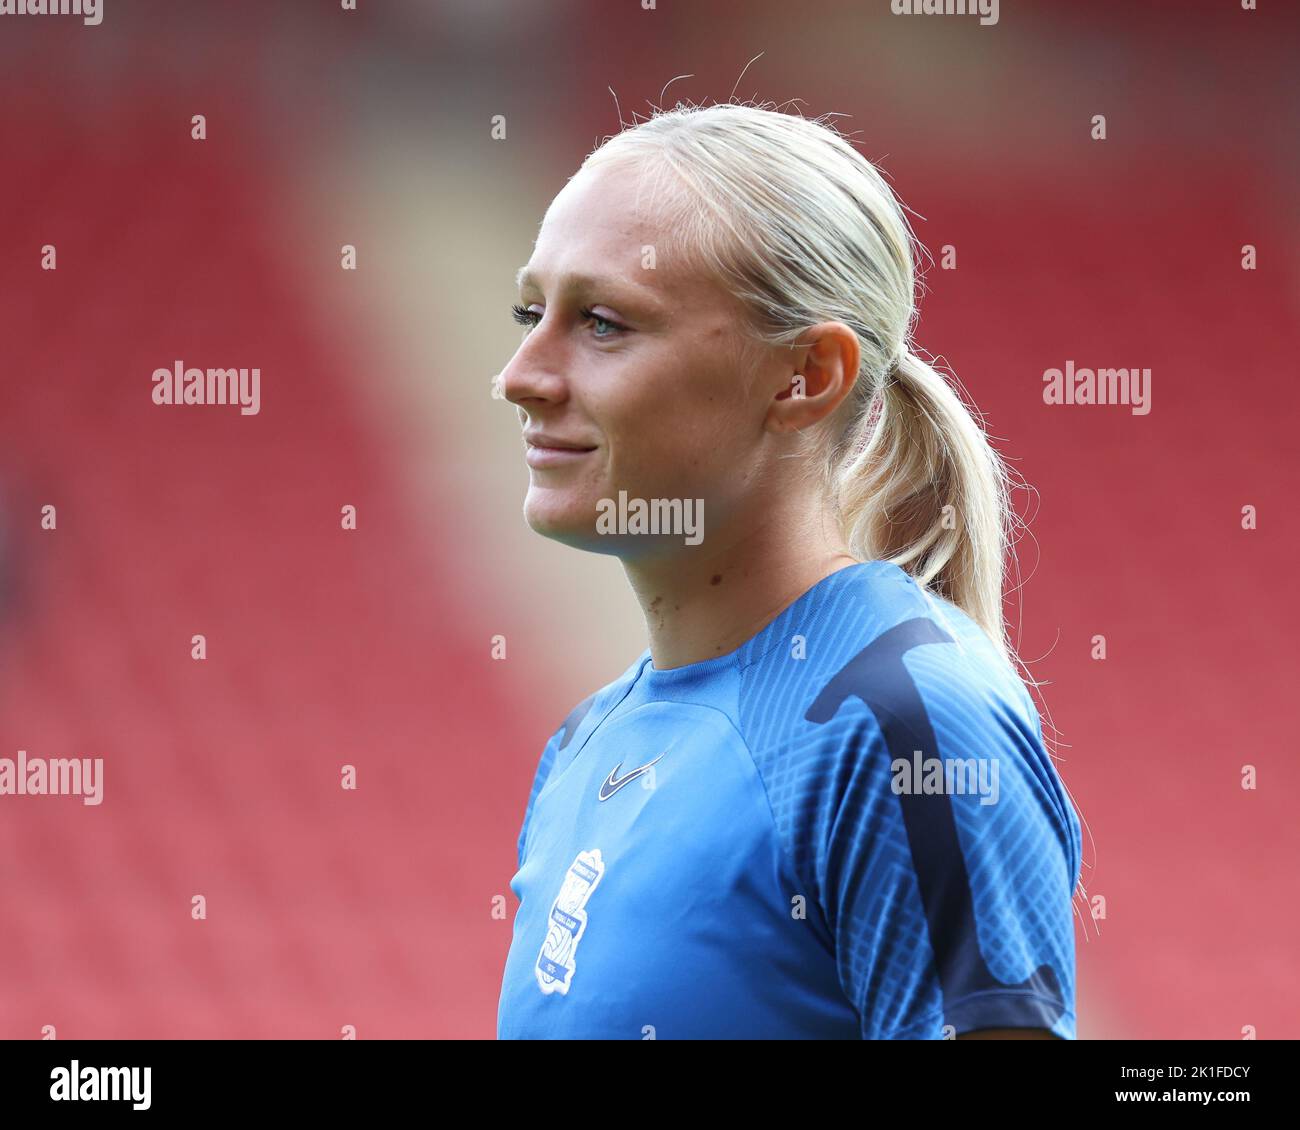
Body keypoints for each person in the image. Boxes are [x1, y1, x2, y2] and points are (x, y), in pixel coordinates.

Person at [495, 101, 1082, 1040]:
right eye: (531, 313)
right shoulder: (584, 746)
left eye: (602, 324)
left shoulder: (906, 727)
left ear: (805, 376)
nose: (521, 372)